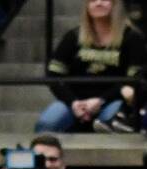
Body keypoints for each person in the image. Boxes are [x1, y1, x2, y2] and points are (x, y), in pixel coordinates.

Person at [38, 0, 144, 133]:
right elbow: (54, 75)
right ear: (87, 6)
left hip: (113, 100)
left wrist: (101, 100)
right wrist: (73, 102)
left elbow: (134, 79)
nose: (98, 3)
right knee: (47, 124)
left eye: (105, 0)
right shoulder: (73, 36)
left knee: (110, 123)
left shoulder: (132, 38)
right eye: (92, 0)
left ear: (115, 5)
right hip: (75, 101)